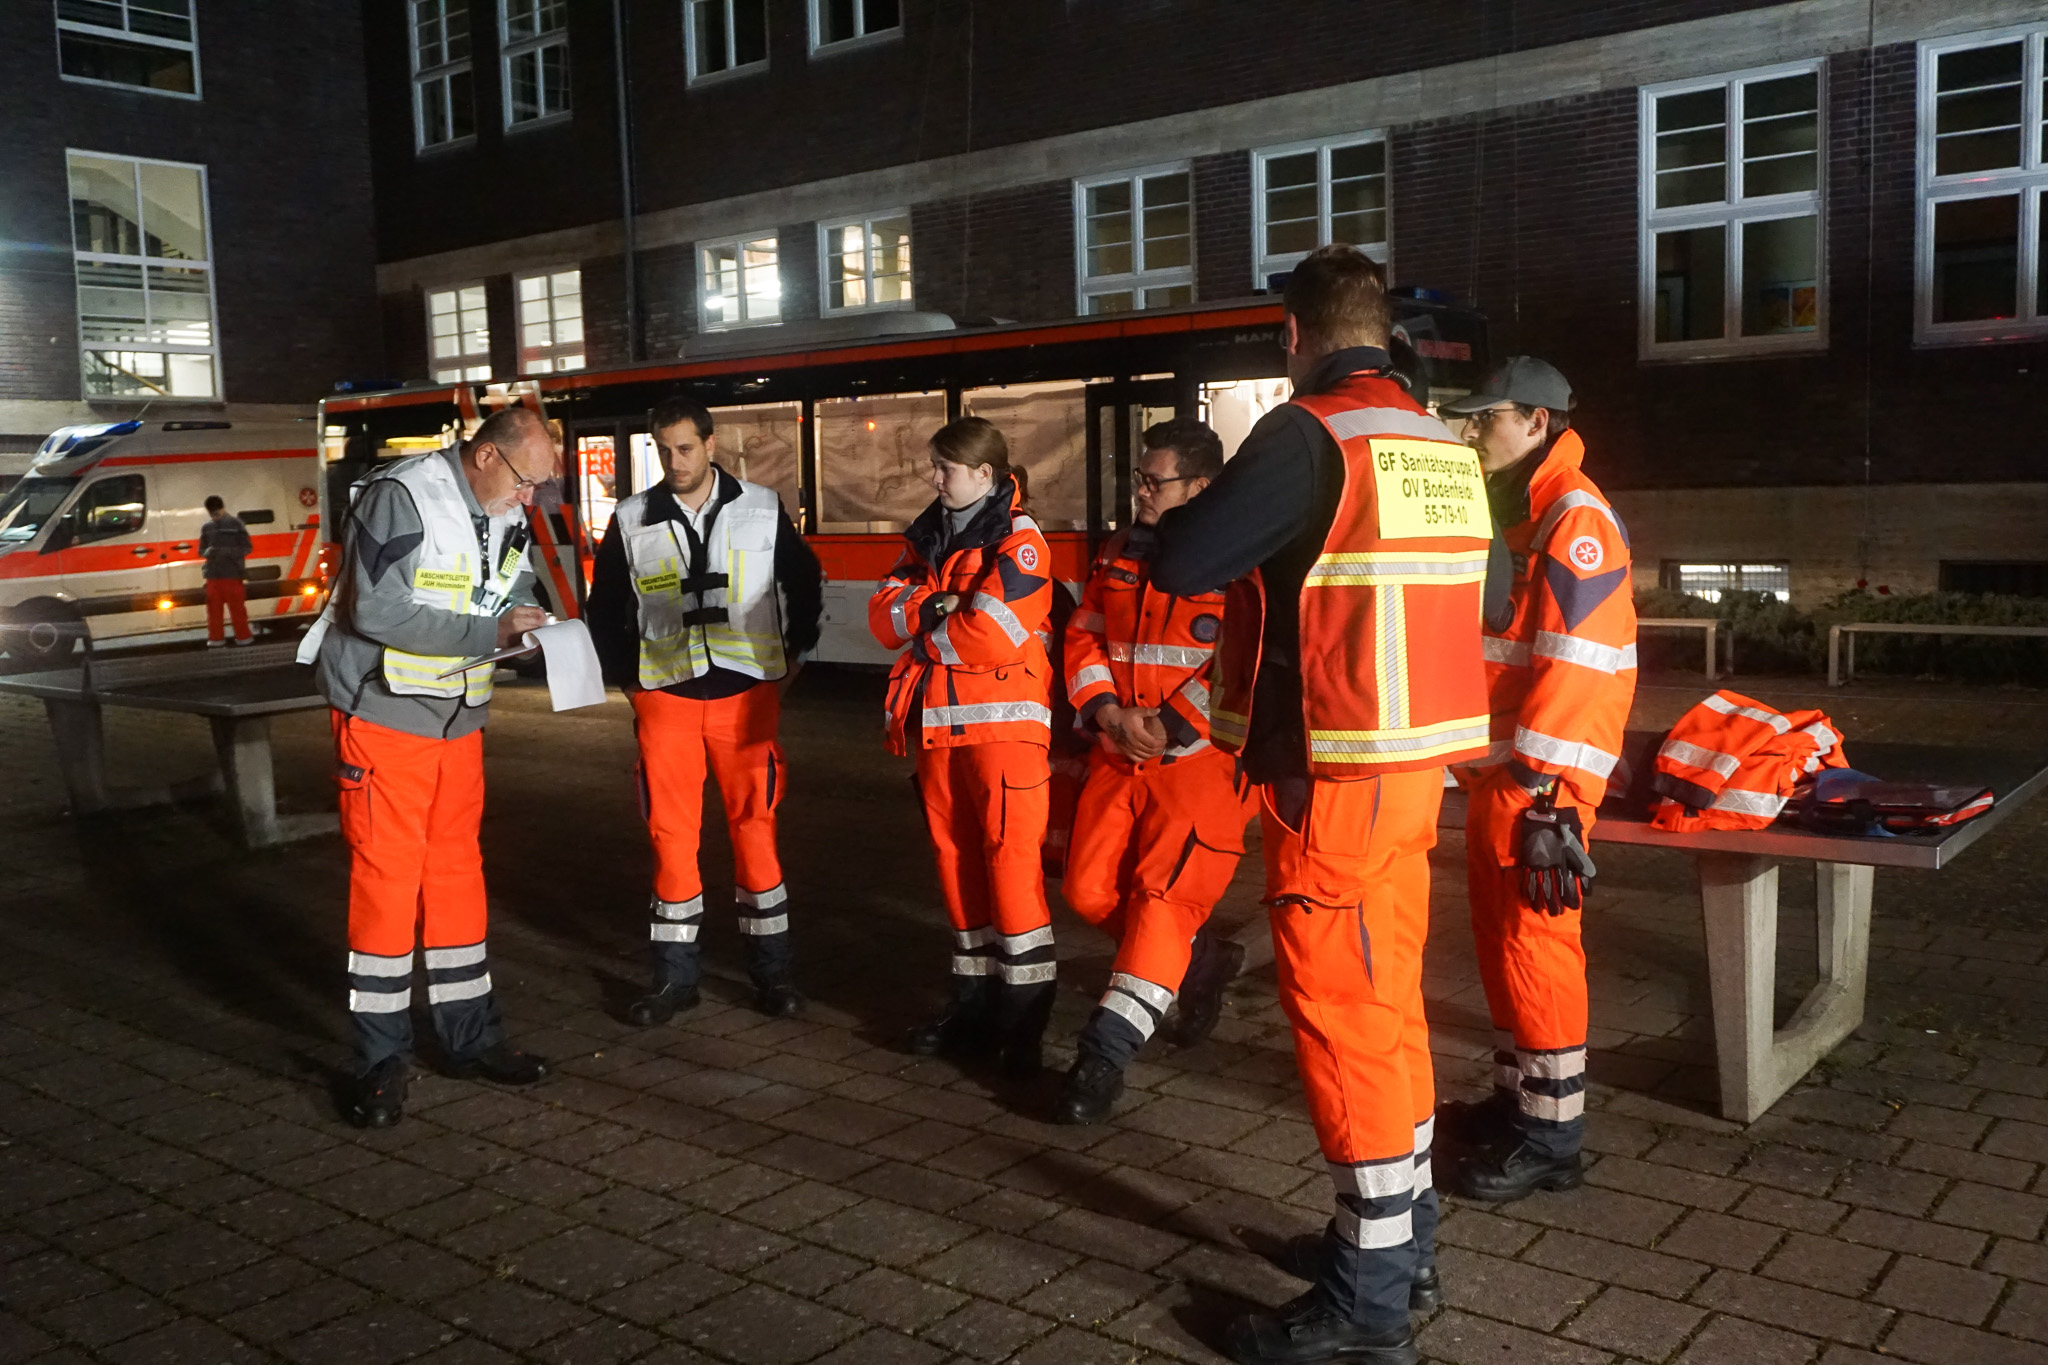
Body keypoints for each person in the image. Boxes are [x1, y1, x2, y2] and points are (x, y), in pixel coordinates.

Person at [1154, 245, 1499, 1365]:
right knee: (1390, 1016)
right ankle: (1399, 1244)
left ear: (1291, 336)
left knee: (1344, 1030)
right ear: (1383, 330)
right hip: (1414, 775)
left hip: (1334, 776)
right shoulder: (1437, 444)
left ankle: (1366, 1313)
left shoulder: (1307, 433)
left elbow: (1186, 561)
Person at [305, 406, 557, 1129]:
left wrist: (537, 621)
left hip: (456, 720)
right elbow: (375, 612)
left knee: (455, 876)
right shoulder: (403, 494)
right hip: (385, 718)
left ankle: (468, 1037)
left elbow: (512, 585)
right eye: (526, 481)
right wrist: (492, 629)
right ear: (486, 457)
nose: (530, 499)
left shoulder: (497, 504)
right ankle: (379, 1062)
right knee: (387, 885)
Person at [1436, 359, 1635, 1201]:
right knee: (1502, 941)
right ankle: (1519, 1102)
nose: (1475, 431)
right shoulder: (1533, 514)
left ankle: (1552, 1137)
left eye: (1489, 419)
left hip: (1538, 779)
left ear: (1538, 422)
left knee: (1536, 946)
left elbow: (1580, 663)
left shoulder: (1574, 519)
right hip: (1507, 770)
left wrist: (1542, 781)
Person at [584, 397, 823, 1024]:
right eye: (663, 450)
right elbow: (604, 607)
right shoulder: (632, 517)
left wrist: (794, 657)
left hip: (747, 697)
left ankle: (773, 976)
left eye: (685, 448)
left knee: (756, 833)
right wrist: (629, 685)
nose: (674, 461)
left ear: (712, 444)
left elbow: (805, 583)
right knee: (671, 839)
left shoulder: (762, 507)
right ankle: (674, 981)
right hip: (666, 699)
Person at [1054, 416, 1252, 1125]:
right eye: (1140, 477)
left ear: (1201, 486)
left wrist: (1168, 726)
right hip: (1119, 752)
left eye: (1153, 480)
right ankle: (1196, 963)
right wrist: (1109, 714)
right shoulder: (1120, 553)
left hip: (1198, 765)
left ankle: (1102, 1057)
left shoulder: (1240, 562)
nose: (1140, 490)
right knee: (1084, 890)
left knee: (1159, 903)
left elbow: (1238, 662)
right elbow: (1083, 637)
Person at [868, 417, 1057, 1076]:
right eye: (934, 466)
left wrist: (929, 622)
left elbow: (991, 635)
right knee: (957, 869)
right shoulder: (932, 535)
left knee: (1011, 872)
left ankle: (1024, 1024)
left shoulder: (1022, 540)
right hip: (943, 729)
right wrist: (940, 606)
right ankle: (974, 1003)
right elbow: (881, 613)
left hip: (1004, 737)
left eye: (945, 468)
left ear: (986, 475)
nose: (933, 477)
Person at [200, 495, 254, 646]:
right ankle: (216, 639)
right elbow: (201, 549)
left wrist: (226, 552)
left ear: (223, 509)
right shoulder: (207, 527)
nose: (214, 517)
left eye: (216, 513)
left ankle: (243, 637)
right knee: (213, 611)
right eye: (212, 514)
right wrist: (207, 552)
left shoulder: (236, 524)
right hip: (214, 575)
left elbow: (247, 547)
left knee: (237, 610)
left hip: (232, 574)